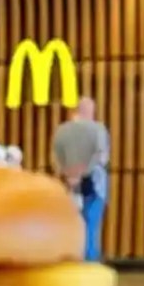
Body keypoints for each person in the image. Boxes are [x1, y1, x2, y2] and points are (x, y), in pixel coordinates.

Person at [52, 96, 110, 262]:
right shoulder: (98, 130)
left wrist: (70, 174)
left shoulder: (63, 130)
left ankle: (74, 262)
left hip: (70, 183)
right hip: (93, 184)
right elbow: (102, 157)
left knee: (73, 224)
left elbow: (56, 158)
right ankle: (88, 264)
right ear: (90, 112)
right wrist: (84, 170)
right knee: (90, 226)